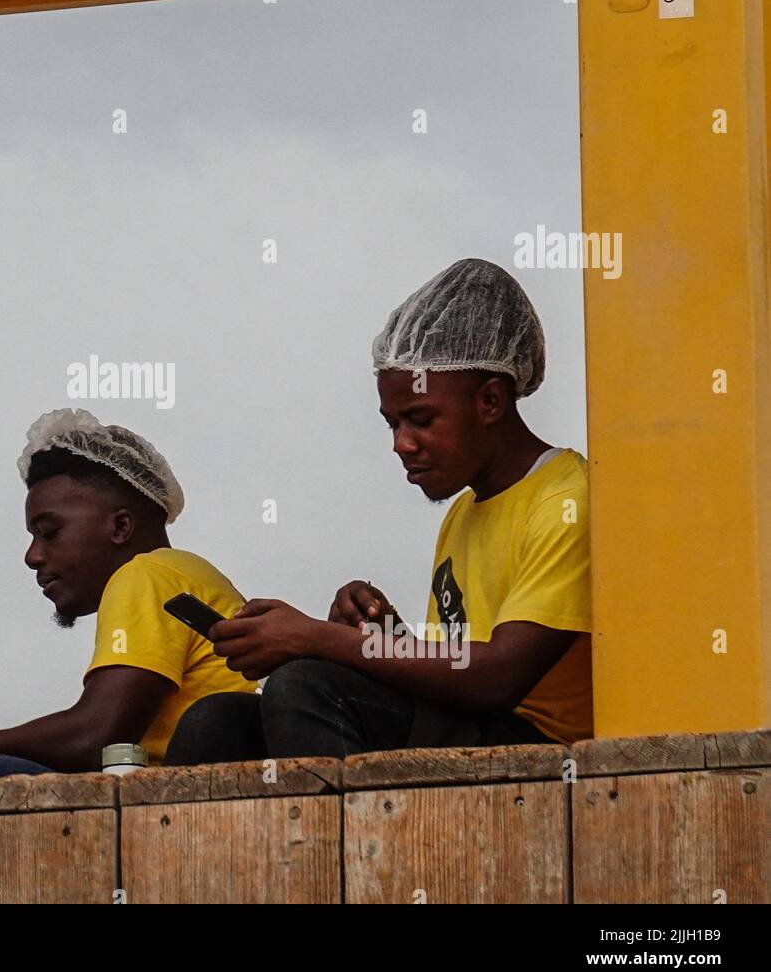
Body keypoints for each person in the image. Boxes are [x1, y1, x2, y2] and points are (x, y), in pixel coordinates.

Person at [166, 258, 592, 765]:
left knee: (307, 685)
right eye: (392, 424)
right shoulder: (463, 514)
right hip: (476, 728)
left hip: (545, 756)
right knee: (217, 722)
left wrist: (318, 640)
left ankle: (353, 843)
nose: (402, 444)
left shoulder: (564, 499)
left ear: (491, 401)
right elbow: (455, 672)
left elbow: (496, 677)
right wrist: (382, 637)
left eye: (420, 419)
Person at [0, 408, 257, 781]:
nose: (32, 556)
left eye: (49, 532)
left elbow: (95, 737)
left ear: (120, 527)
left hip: (179, 810)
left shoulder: (146, 574)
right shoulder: (184, 574)